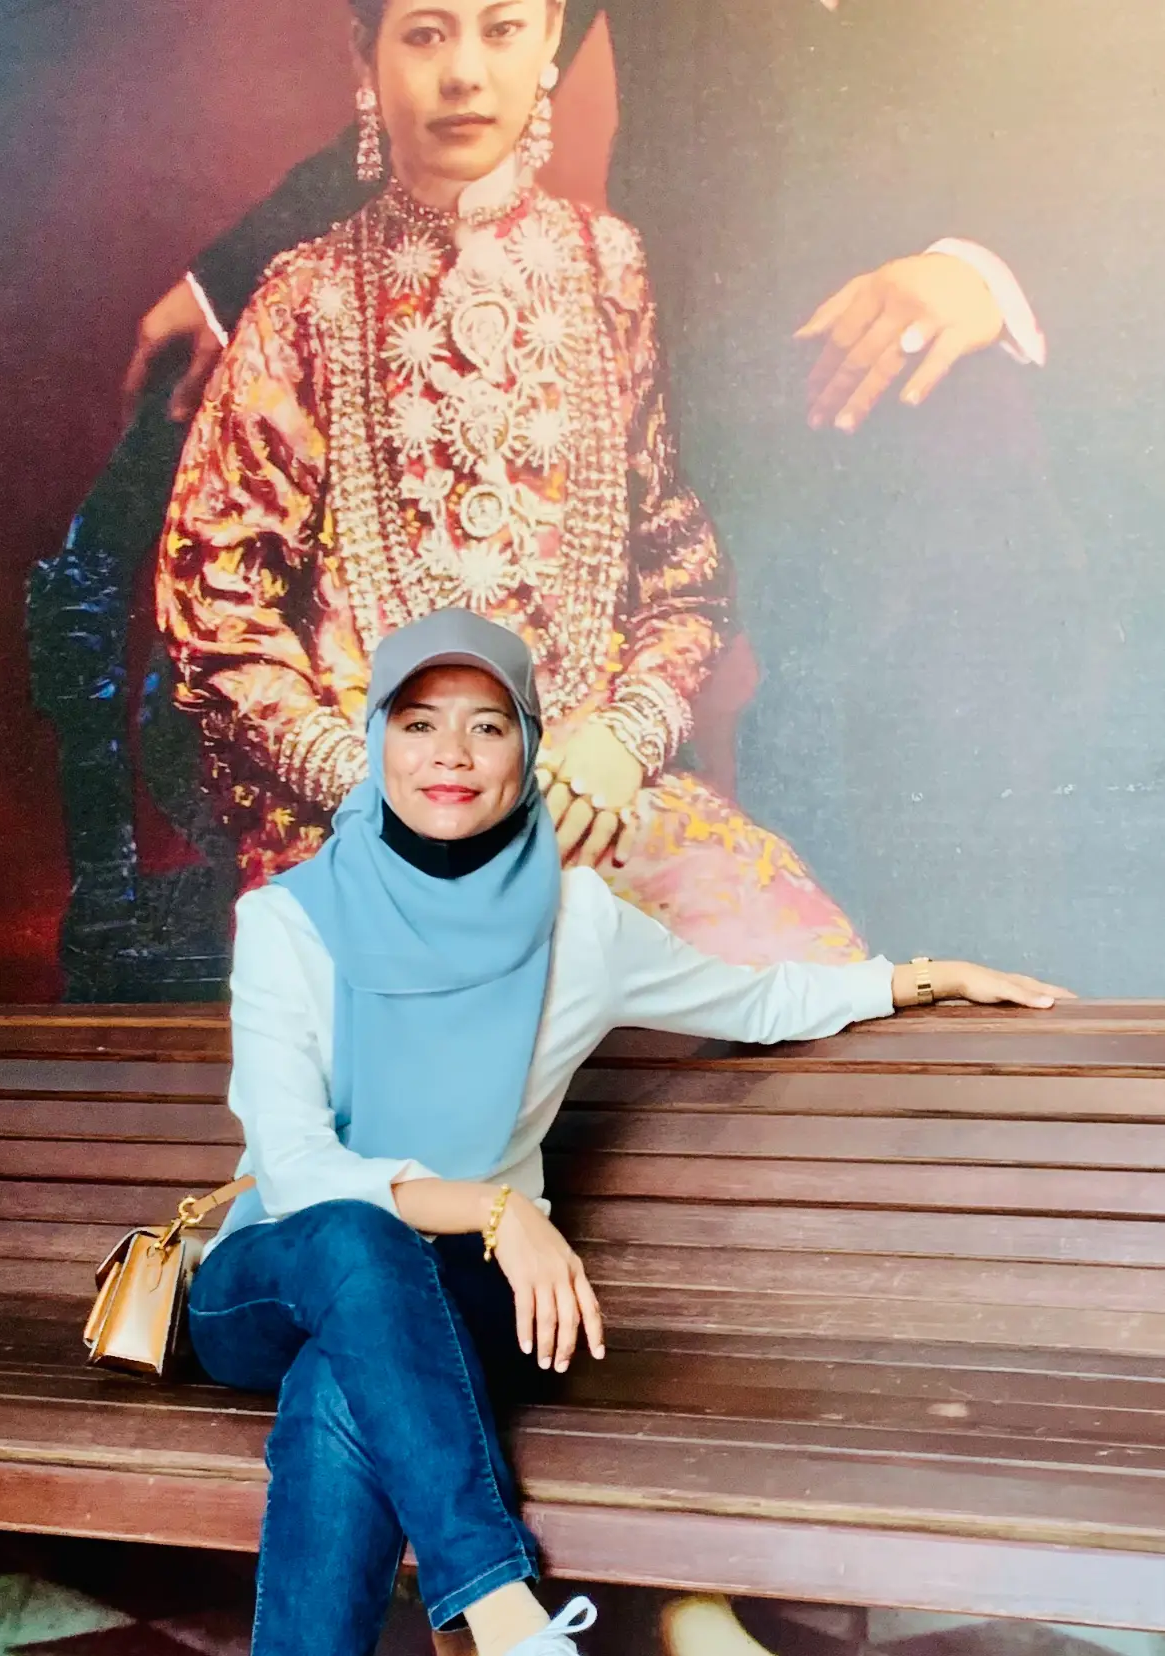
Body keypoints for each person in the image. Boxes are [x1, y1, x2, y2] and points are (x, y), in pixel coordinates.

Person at [188, 605, 1070, 1656]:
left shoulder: (583, 926)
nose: (451, 754)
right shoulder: (288, 921)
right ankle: (503, 1610)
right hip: (274, 1274)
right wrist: (497, 1210)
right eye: (418, 723)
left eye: (487, 725)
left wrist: (928, 977)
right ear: (377, 740)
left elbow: (759, 999)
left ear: (528, 746)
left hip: (460, 1300)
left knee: (343, 1384)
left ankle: (502, 1627)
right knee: (354, 1238)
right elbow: (297, 1172)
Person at [156, 0, 866, 968]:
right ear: (365, 55)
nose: (464, 73)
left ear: (550, 38)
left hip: (588, 804)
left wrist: (622, 740)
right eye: (425, 34)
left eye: (499, 30)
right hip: (373, 828)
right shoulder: (302, 302)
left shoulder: (612, 274)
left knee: (793, 985)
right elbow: (219, 617)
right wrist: (376, 785)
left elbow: (681, 574)